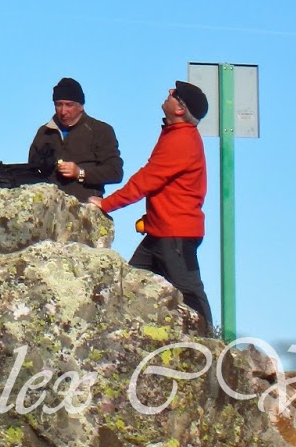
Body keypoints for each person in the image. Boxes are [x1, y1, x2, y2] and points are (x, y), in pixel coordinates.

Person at [89, 81, 213, 330]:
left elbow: (148, 179)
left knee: (188, 290)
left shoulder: (182, 141)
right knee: (131, 282)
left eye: (175, 95)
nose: (169, 92)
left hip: (174, 232)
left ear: (180, 110)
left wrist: (106, 204)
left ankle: (212, 342)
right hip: (161, 231)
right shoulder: (175, 134)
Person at [28, 76, 123, 203]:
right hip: (47, 208)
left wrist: (80, 172)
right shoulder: (44, 132)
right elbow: (31, 171)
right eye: (58, 104)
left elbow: (115, 172)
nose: (63, 111)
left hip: (84, 208)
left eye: (69, 105)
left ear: (81, 105)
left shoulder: (101, 130)